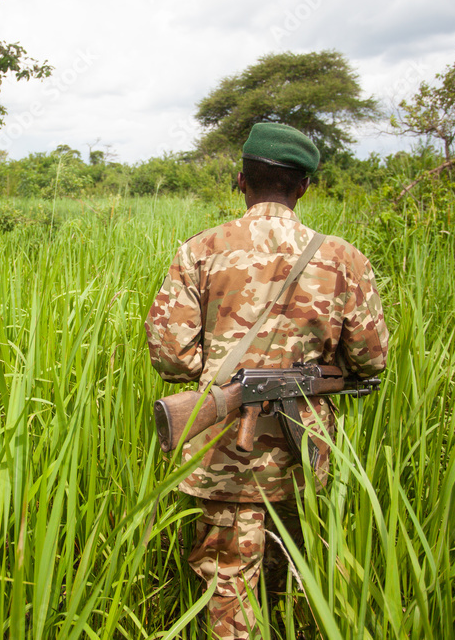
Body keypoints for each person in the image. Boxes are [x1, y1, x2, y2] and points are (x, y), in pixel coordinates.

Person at [144, 122, 389, 639]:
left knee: (229, 579)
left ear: (241, 180)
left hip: (224, 454)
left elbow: (171, 356)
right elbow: (370, 361)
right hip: (307, 453)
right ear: (304, 185)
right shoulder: (345, 258)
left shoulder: (200, 250)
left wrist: (219, 378)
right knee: (303, 567)